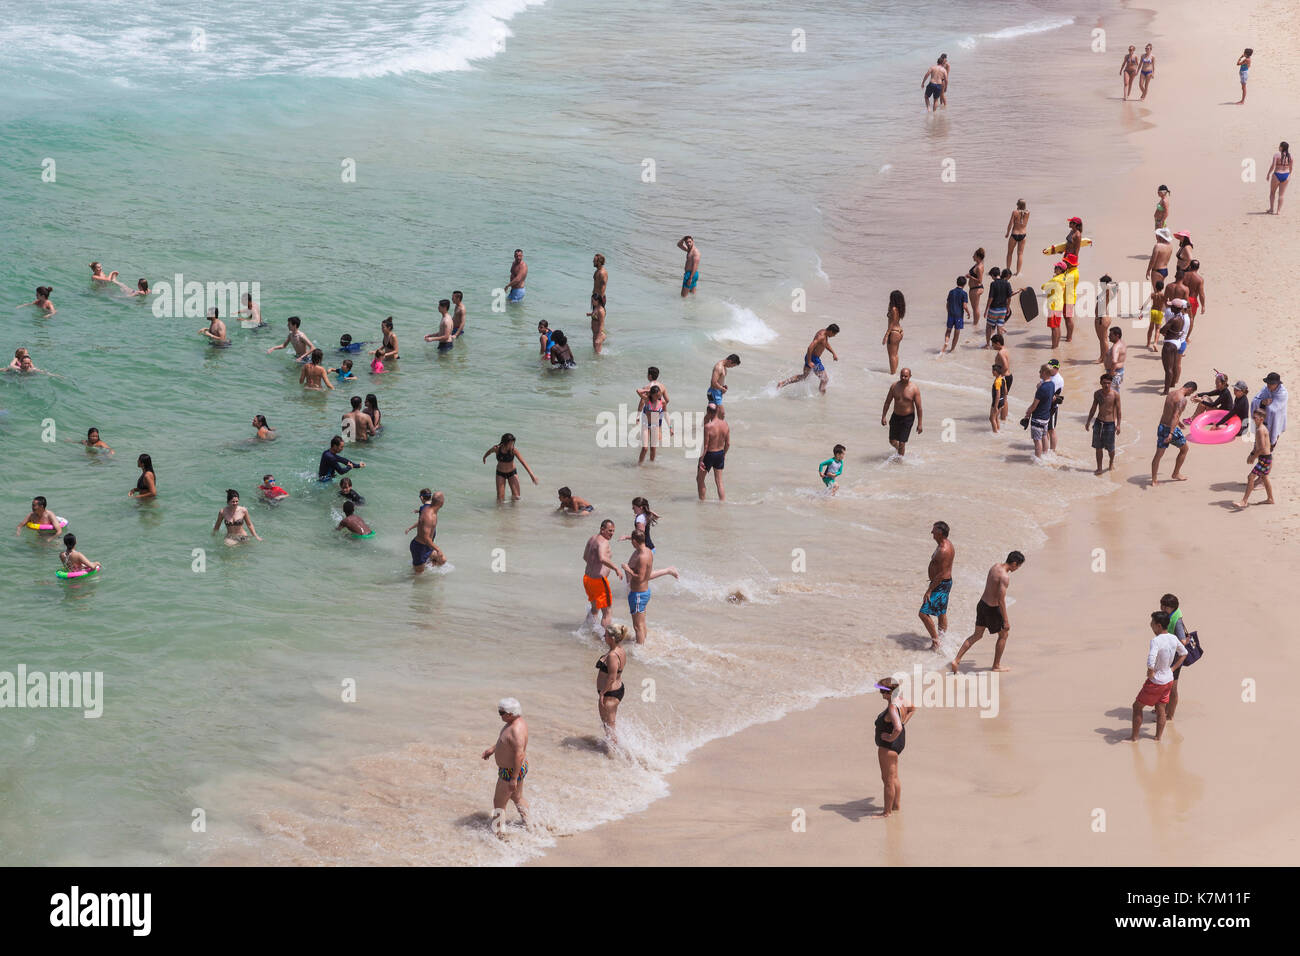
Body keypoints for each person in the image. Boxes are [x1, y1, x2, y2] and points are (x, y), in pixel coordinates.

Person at [950, 552, 1025, 673]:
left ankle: (956, 660)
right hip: (992, 609)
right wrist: (1006, 620)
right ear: (1014, 563)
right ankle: (996, 665)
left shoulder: (995, 566)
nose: (1017, 569)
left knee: (977, 635)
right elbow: (1001, 600)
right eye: (1018, 566)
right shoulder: (1005, 577)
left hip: (982, 605)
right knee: (1004, 634)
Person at [1129, 611, 1186, 742]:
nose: (1151, 625)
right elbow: (1184, 653)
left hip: (1157, 681)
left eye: (1152, 623)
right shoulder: (1173, 638)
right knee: (1161, 708)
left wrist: (1150, 671)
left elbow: (1151, 659)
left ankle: (1134, 737)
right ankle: (1158, 737)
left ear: (1158, 626)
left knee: (1137, 707)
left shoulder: (1156, 640)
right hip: (1169, 679)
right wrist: (1172, 668)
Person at [621, 529, 679, 644]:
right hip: (643, 592)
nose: (632, 544)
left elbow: (640, 577)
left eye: (632, 542)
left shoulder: (642, 556)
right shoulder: (648, 551)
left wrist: (628, 570)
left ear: (635, 541)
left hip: (638, 594)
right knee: (641, 624)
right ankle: (642, 642)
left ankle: (639, 650)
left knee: (637, 627)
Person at [481, 698, 529, 829]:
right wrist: (492, 749)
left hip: (510, 772)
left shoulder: (515, 730)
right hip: (517, 769)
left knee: (499, 803)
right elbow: (506, 742)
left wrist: (513, 778)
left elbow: (519, 754)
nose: (499, 715)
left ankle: (498, 833)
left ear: (510, 714)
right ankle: (530, 823)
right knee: (517, 797)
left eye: (501, 712)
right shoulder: (515, 722)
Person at [872, 677, 915, 818]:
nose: (880, 693)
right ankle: (896, 805)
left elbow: (897, 728)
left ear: (889, 692)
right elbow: (912, 708)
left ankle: (887, 812)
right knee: (894, 776)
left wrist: (890, 737)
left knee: (887, 780)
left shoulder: (892, 707)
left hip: (888, 747)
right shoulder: (901, 700)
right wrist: (904, 722)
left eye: (882, 691)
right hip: (897, 744)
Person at [1151, 382, 1196, 487]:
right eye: (1192, 392)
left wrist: (1179, 422)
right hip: (1170, 430)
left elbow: (1168, 412)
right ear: (1189, 388)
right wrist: (1171, 432)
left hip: (1162, 426)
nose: (1190, 395)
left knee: (1158, 455)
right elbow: (1175, 415)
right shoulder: (1182, 399)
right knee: (1184, 449)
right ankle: (1175, 474)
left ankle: (1154, 480)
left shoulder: (1171, 394)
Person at [582, 520, 623, 635]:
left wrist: (594, 567)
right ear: (602, 529)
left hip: (587, 579)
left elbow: (585, 557)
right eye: (610, 531)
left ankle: (585, 632)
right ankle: (606, 639)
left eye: (613, 531)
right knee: (607, 612)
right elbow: (601, 558)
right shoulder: (603, 542)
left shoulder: (592, 539)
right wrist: (615, 568)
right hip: (599, 581)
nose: (612, 533)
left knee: (595, 609)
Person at [919, 521, 954, 650]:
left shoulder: (944, 550)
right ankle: (942, 638)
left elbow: (941, 574)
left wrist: (929, 590)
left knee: (923, 613)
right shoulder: (943, 544)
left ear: (940, 532)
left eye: (933, 530)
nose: (931, 532)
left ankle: (936, 642)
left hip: (940, 584)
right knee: (941, 612)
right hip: (942, 583)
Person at [777, 324, 840, 392]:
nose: (834, 336)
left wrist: (833, 353)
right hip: (813, 359)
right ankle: (821, 396)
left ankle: (782, 383)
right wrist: (809, 361)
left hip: (810, 357)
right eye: (834, 334)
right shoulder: (821, 336)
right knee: (824, 380)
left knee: (804, 377)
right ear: (830, 331)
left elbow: (825, 344)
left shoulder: (824, 333)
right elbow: (810, 347)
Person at [595, 623, 630, 744]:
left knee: (609, 727)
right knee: (610, 725)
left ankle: (613, 755)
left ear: (612, 638)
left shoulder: (612, 655)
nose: (604, 636)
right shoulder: (620, 650)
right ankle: (612, 749)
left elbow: (611, 677)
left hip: (610, 693)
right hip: (615, 690)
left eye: (606, 635)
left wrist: (602, 694)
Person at [1235, 407, 1277, 508]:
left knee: (1251, 477)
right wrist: (1252, 453)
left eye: (1255, 418)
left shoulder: (1260, 430)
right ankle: (1270, 498)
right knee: (1265, 478)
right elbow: (1258, 445)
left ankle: (1244, 501)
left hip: (1264, 459)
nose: (1253, 420)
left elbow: (1262, 448)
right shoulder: (1259, 429)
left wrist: (1253, 457)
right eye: (1253, 417)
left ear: (1261, 419)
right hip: (1266, 458)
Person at [1160, 594, 1192, 720]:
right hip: (1168, 656)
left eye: (1164, 606)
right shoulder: (1171, 615)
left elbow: (1183, 642)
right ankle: (1165, 708)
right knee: (1166, 685)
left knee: (1172, 688)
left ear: (1171, 607)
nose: (1161, 607)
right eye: (1161, 604)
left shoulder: (1176, 620)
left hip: (1175, 659)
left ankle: (1170, 715)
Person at [1084, 373, 1122, 474]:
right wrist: (1088, 421)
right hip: (1098, 423)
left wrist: (1118, 425)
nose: (1106, 385)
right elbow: (1093, 408)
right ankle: (1099, 468)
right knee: (1098, 447)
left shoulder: (1115, 395)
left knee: (1110, 448)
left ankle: (1111, 462)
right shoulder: (1097, 394)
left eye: (1109, 383)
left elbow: (1119, 411)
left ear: (1111, 383)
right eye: (1104, 383)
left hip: (1110, 424)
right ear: (1101, 383)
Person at [483, 433, 538, 501]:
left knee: (517, 497)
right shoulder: (497, 449)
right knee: (500, 498)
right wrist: (484, 457)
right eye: (510, 444)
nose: (512, 445)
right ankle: (501, 511)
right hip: (500, 473)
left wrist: (532, 475)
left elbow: (523, 462)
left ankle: (514, 511)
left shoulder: (513, 450)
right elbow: (489, 452)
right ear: (505, 443)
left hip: (512, 473)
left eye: (513, 443)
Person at [881, 368, 923, 457]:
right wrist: (883, 416)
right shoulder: (894, 386)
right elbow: (887, 402)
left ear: (910, 376)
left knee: (902, 442)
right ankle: (899, 450)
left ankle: (899, 461)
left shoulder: (914, 389)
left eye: (906, 376)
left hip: (908, 418)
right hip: (896, 416)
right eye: (902, 376)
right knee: (892, 440)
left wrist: (920, 424)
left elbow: (919, 408)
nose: (903, 378)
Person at [405, 489, 446, 570]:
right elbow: (426, 538)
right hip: (419, 548)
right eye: (443, 500)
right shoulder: (429, 516)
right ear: (440, 503)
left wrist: (419, 511)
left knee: (442, 560)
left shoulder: (429, 509)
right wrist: (438, 549)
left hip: (427, 546)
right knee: (418, 576)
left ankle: (428, 566)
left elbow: (422, 521)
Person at [697, 405, 730, 500]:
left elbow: (706, 446)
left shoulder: (708, 426)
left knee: (700, 480)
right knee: (719, 482)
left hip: (710, 454)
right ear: (717, 411)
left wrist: (701, 460)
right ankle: (722, 504)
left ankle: (702, 504)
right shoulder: (725, 424)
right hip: (720, 453)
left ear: (708, 412)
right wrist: (724, 454)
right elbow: (728, 443)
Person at [1023, 365, 1055, 459]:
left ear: (1045, 373)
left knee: (1037, 440)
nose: (1039, 372)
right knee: (1044, 436)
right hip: (1046, 417)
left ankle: (1038, 459)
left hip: (1038, 417)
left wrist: (1028, 413)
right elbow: (1051, 398)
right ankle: (1046, 455)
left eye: (1040, 371)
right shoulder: (1052, 384)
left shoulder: (1042, 388)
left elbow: (1034, 405)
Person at [1250, 371, 1288, 449]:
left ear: (1277, 384)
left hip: (1275, 421)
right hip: (1262, 421)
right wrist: (1262, 402)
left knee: (1269, 446)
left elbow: (1274, 410)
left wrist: (1265, 404)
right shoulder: (1266, 389)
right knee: (1258, 442)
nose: (1268, 385)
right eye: (1268, 383)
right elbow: (1254, 401)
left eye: (1271, 383)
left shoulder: (1283, 393)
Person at [638, 385, 667, 464]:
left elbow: (665, 413)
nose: (659, 396)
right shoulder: (647, 400)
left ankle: (651, 466)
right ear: (652, 394)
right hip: (646, 425)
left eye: (659, 394)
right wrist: (648, 391)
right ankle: (639, 465)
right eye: (656, 395)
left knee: (653, 448)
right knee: (645, 448)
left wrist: (670, 427)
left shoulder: (662, 402)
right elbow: (638, 391)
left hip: (655, 426)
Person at [1042, 261, 1066, 350]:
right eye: (1055, 267)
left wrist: (1052, 279)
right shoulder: (1063, 277)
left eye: (1056, 267)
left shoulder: (1056, 279)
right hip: (1059, 304)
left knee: (1053, 327)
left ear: (1061, 270)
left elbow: (1043, 287)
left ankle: (1054, 346)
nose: (1054, 268)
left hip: (1053, 305)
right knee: (1057, 326)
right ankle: (1056, 345)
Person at [941, 275, 969, 353]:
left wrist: (948, 311)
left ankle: (946, 342)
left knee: (948, 331)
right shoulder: (964, 293)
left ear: (956, 282)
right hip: (959, 316)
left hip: (951, 314)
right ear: (965, 284)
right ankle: (952, 349)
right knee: (956, 333)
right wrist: (968, 312)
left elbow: (947, 304)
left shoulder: (951, 292)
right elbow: (964, 306)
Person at [1094, 273, 1117, 364]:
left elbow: (1115, 285)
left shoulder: (1108, 291)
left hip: (1102, 318)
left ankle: (1104, 358)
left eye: (1101, 283)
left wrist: (1108, 281)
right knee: (1102, 339)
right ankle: (1103, 357)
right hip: (1101, 317)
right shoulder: (1104, 292)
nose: (1100, 285)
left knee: (1103, 339)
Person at [991, 333, 1013, 422]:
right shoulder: (1005, 350)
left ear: (998, 343)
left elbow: (1006, 366)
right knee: (1005, 398)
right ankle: (1004, 418)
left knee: (1003, 399)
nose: (992, 346)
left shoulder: (1000, 353)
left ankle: (1003, 418)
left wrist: (1000, 376)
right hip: (1008, 376)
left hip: (1005, 377)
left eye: (993, 344)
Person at [1140, 279, 1167, 352]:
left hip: (1153, 311)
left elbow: (1146, 302)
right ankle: (1155, 343)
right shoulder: (1163, 295)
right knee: (1157, 329)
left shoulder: (1153, 294)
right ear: (1162, 287)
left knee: (1150, 328)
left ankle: (1148, 343)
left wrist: (1142, 309)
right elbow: (1167, 304)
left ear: (1155, 287)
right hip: (1159, 312)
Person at [882, 290, 906, 374]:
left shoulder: (894, 309)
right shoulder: (899, 308)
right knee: (895, 354)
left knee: (891, 355)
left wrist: (886, 335)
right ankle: (894, 372)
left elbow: (892, 323)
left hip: (893, 332)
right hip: (899, 331)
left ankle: (893, 373)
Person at [1005, 199, 1030, 274]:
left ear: (1018, 205)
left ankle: (1008, 271)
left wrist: (1007, 233)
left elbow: (1010, 224)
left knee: (1010, 253)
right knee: (1020, 254)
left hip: (1014, 234)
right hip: (1023, 234)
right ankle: (1018, 272)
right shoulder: (1028, 213)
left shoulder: (1015, 212)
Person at [1267, 142, 1292, 214]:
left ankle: (1271, 209)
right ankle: (1278, 211)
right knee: (1281, 194)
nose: (1278, 147)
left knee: (1272, 192)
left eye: (1279, 146)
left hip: (1277, 175)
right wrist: (1289, 175)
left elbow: (1273, 166)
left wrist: (1268, 174)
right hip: (1286, 175)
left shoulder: (1277, 155)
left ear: (1281, 147)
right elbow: (1291, 168)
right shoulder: (1290, 156)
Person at [1182, 261, 1206, 335]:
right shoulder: (1199, 279)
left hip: (1182, 298)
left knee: (1180, 317)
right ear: (1198, 268)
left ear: (1190, 266)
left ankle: (1178, 335)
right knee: (1191, 319)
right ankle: (1186, 338)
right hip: (1192, 300)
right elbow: (1201, 294)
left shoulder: (1183, 275)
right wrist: (1203, 305)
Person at [966, 249, 985, 329]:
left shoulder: (979, 267)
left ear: (978, 257)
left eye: (974, 255)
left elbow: (980, 280)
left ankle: (975, 324)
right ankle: (975, 323)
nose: (972, 256)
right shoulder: (977, 265)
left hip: (976, 288)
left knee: (975, 308)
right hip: (974, 288)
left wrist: (970, 277)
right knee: (974, 307)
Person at [1104, 326, 1127, 390]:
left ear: (1117, 335)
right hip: (1119, 371)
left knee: (1111, 393)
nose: (1109, 336)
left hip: (1114, 372)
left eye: (1111, 335)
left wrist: (1110, 376)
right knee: (1115, 392)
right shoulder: (1122, 343)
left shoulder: (1116, 347)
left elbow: (1114, 361)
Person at [989, 362, 1008, 433]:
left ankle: (995, 433)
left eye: (993, 371)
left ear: (995, 372)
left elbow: (998, 395)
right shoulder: (1003, 379)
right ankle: (998, 430)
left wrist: (995, 406)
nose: (992, 372)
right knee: (996, 417)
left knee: (991, 418)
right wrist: (1003, 400)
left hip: (997, 401)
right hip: (1002, 400)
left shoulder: (997, 381)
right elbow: (1005, 391)